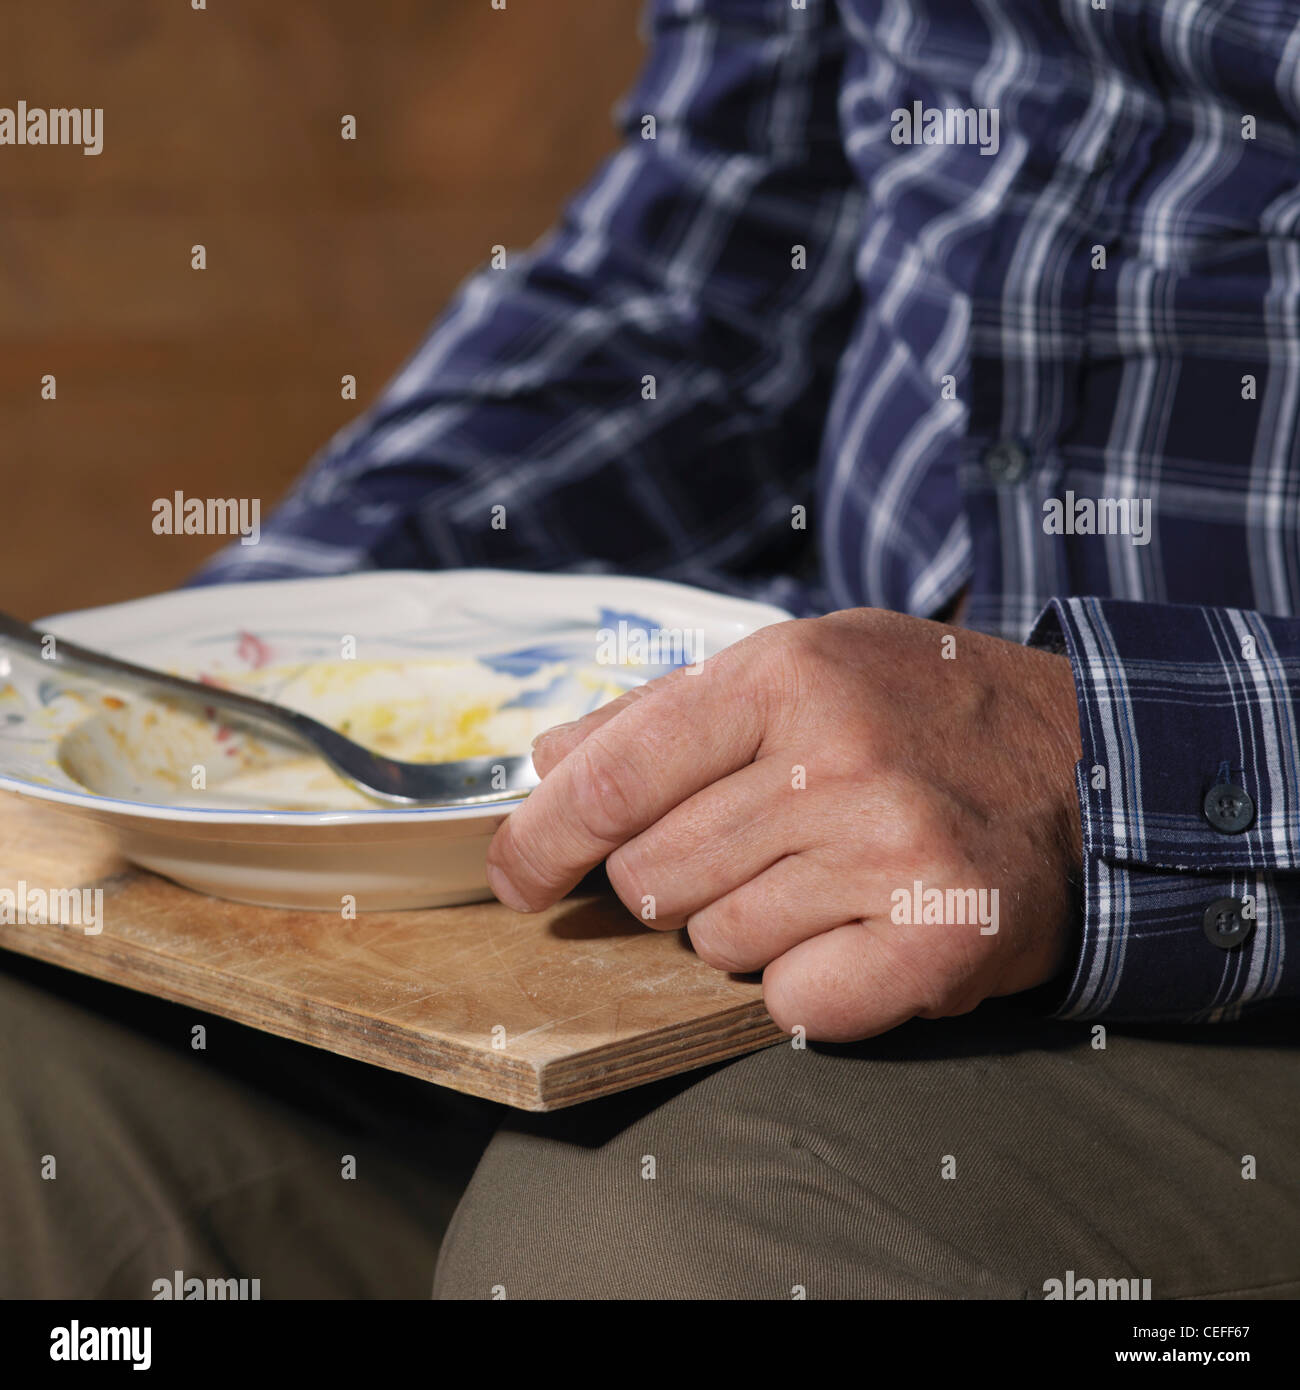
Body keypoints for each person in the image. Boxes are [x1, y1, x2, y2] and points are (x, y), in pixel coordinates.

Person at [5, 0, 1298, 1299]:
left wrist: (1099, 766)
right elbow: (706, 268)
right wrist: (254, 650)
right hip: (791, 822)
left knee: (632, 1251)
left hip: (1242, 938)